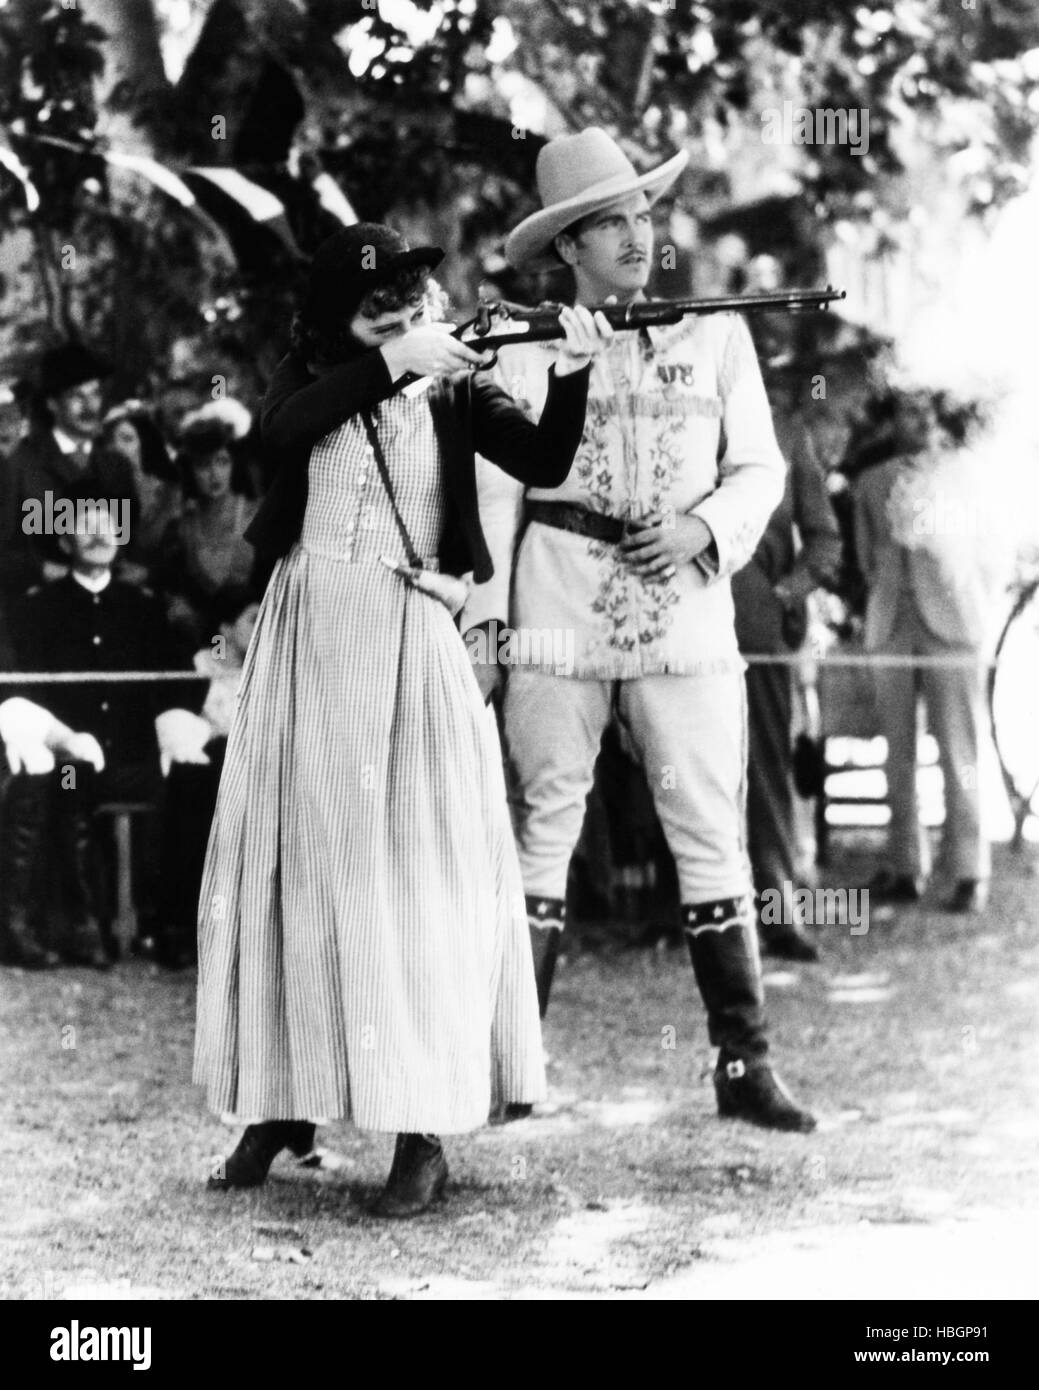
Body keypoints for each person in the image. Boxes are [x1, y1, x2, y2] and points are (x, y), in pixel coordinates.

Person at [194, 223, 612, 1216]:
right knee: (296, 867)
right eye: (381, 301)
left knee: (416, 872)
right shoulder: (311, 375)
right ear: (341, 312)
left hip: (410, 632)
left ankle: (420, 1127)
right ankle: (280, 1105)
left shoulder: (459, 380)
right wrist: (391, 362)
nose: (406, 307)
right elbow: (280, 431)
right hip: (311, 636)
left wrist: (576, 373)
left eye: (413, 294)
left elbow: (547, 456)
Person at [463, 127, 816, 1131]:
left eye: (640, 214)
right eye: (606, 222)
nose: (633, 234)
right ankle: (513, 1067)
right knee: (545, 825)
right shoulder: (525, 343)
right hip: (558, 602)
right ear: (565, 245)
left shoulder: (715, 332)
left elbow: (758, 465)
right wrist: (489, 621)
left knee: (709, 827)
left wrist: (703, 527)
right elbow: (496, 491)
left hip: (686, 606)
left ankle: (742, 1063)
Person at [0, 491, 208, 969]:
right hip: (72, 763)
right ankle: (82, 922)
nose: (98, 533)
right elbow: (26, 695)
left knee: (193, 782)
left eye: (107, 523)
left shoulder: (145, 606)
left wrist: (174, 729)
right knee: (66, 785)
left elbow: (180, 680)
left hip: (136, 758)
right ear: (62, 537)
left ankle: (172, 925)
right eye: (84, 523)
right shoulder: (37, 609)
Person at [853, 391, 997, 912]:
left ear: (939, 416)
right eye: (908, 411)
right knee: (897, 751)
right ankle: (905, 867)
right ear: (894, 420)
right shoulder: (870, 482)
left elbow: (986, 551)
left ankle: (969, 872)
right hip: (891, 625)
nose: (919, 420)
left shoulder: (964, 476)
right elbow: (866, 557)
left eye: (926, 411)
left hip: (953, 627)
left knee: (959, 749)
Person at [732, 415, 843, 960]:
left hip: (759, 634)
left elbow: (824, 541)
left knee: (766, 773)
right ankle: (697, 918)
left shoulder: (787, 435)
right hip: (674, 627)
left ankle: (777, 916)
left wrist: (785, 594)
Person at [159, 417, 259, 647]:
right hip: (201, 643)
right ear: (190, 470)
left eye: (222, 462)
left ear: (234, 464)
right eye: (204, 465)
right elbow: (171, 587)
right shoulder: (182, 525)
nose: (215, 474)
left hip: (254, 637)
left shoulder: (257, 515)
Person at [95, 401, 182, 587]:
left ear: (145, 444)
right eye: (110, 441)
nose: (117, 447)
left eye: (127, 439)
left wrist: (149, 575)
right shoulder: (100, 494)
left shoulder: (170, 493)